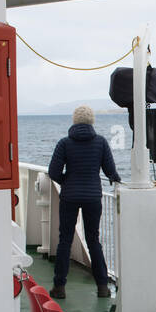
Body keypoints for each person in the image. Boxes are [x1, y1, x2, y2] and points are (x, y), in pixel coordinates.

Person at [47, 105, 120, 299]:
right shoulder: (101, 143)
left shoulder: (64, 143)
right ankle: (102, 287)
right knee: (93, 240)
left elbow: (53, 172)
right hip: (93, 197)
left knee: (65, 240)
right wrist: (116, 178)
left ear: (74, 121)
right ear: (92, 121)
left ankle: (59, 287)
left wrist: (67, 181)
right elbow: (110, 171)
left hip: (70, 196)